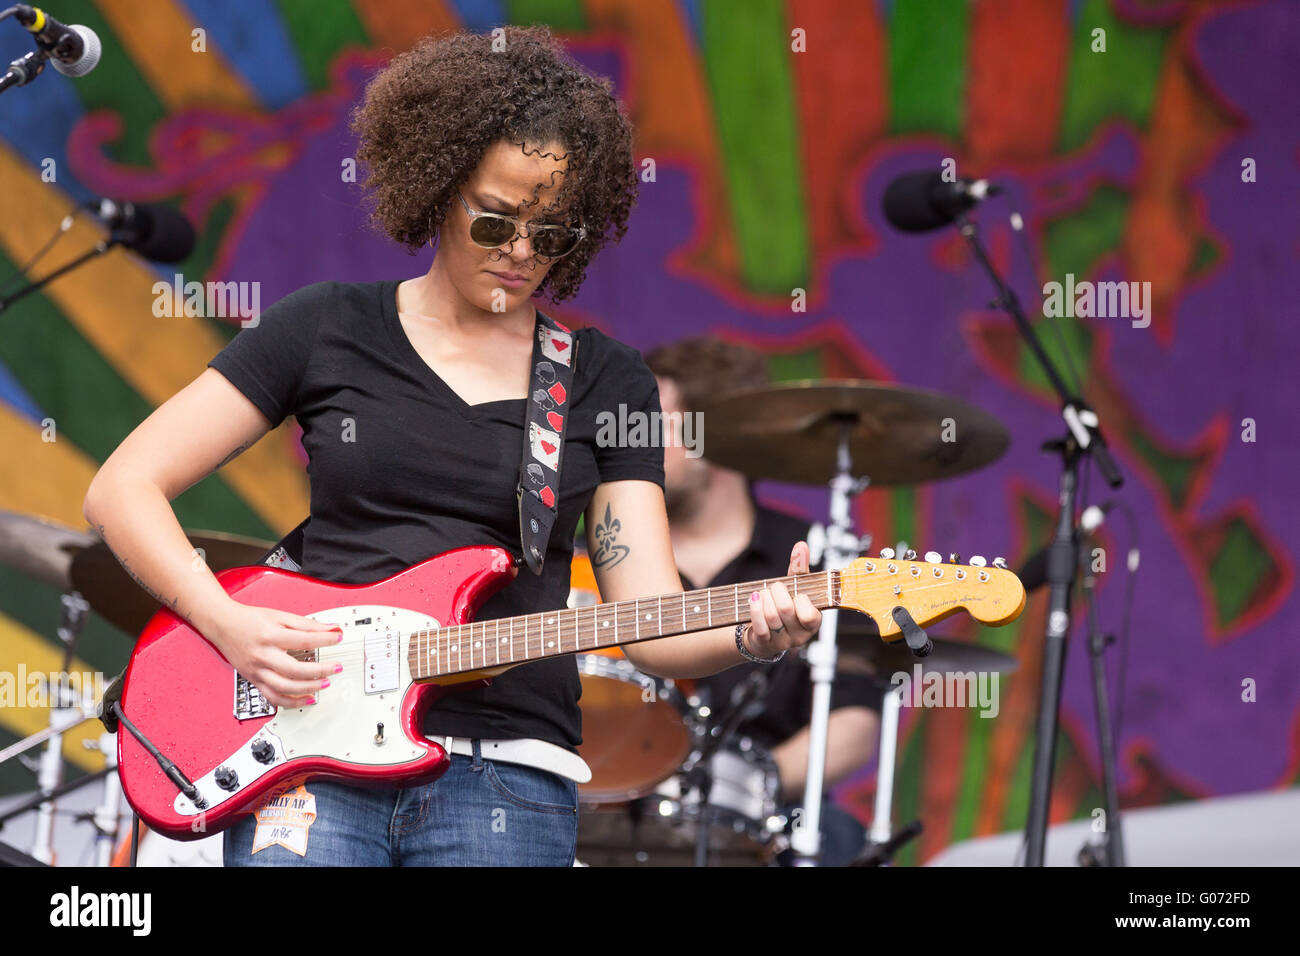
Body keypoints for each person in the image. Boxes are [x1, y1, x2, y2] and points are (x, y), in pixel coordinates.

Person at [82, 26, 822, 867]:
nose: (519, 254)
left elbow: (649, 626)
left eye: (553, 237)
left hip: (507, 775)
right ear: (439, 185)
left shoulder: (602, 381)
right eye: (497, 220)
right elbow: (123, 488)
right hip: (308, 753)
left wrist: (759, 634)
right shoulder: (327, 324)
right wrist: (227, 623)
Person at [645, 337, 887, 866]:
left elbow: (853, 722)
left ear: (714, 437)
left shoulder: (819, 555)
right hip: (618, 809)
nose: (630, 442)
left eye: (652, 423)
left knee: (837, 838)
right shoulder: (607, 561)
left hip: (766, 821)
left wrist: (740, 789)